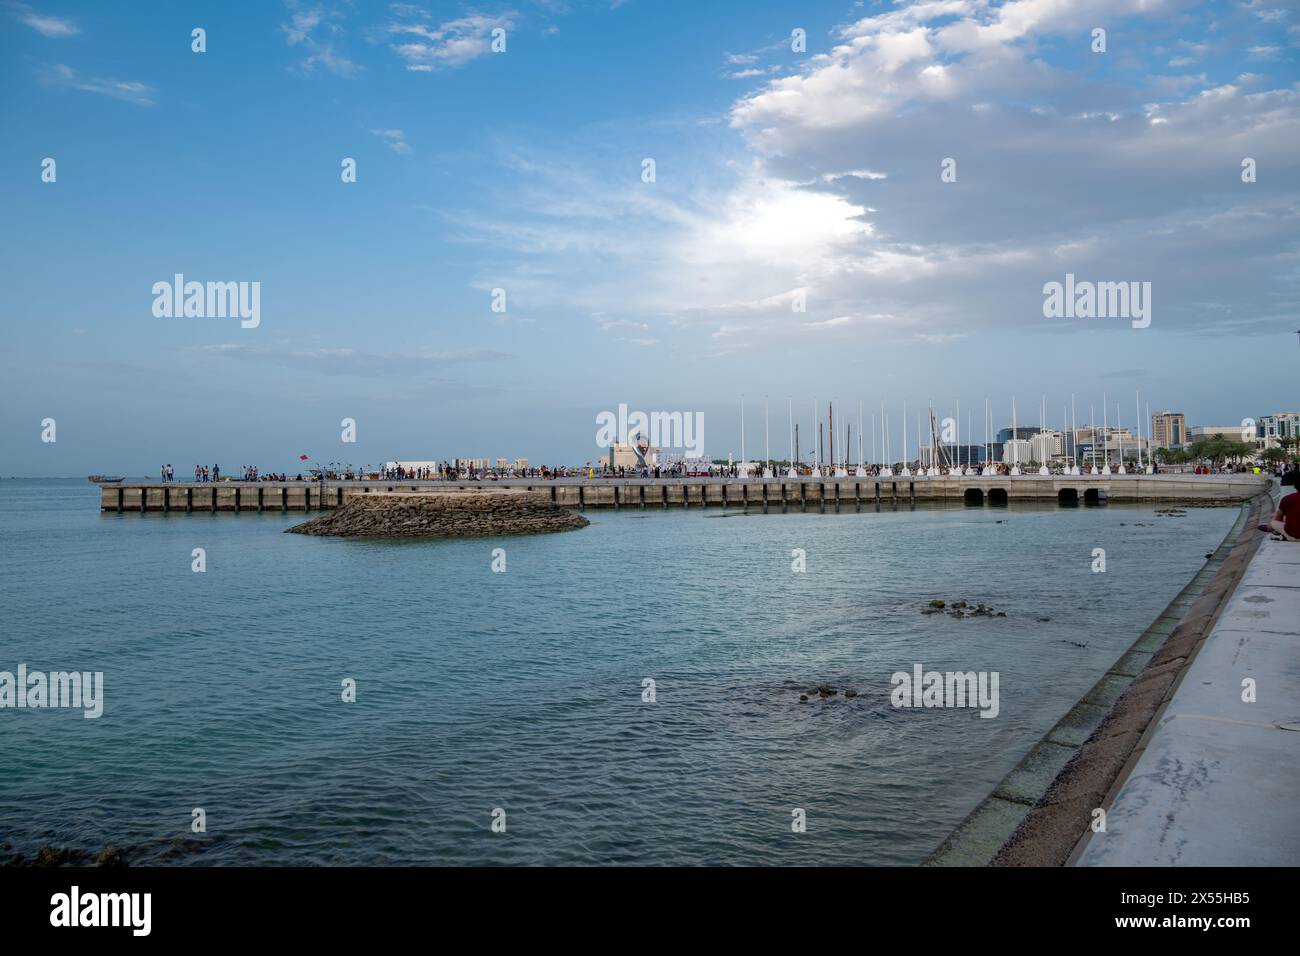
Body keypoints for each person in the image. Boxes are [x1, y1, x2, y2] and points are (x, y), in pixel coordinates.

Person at [1260, 472, 1300, 540]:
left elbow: (1278, 518)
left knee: (1273, 522)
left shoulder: (1288, 499)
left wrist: (1271, 524)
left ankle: (1274, 530)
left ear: (1294, 485)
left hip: (1294, 535)